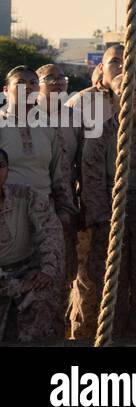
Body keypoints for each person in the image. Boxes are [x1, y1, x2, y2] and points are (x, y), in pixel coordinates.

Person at [72, 67, 136, 340]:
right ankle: (114, 336)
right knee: (113, 284)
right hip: (111, 211)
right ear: (113, 98)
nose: (131, 97)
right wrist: (101, 218)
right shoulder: (101, 134)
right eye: (124, 92)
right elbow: (92, 178)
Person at [0, 67, 75, 254]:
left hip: (44, 214)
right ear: (6, 90)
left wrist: (65, 211)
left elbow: (60, 173)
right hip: (7, 215)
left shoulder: (48, 126)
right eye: (20, 83)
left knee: (48, 274)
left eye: (33, 83)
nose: (27, 88)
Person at [0, 147, 63, 343]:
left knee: (44, 293)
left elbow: (51, 232)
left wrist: (47, 269)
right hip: (4, 279)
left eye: (0, 166)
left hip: (25, 271)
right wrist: (13, 285)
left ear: (8, 169)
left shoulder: (26, 196)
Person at [35, 63, 80, 322]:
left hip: (66, 205)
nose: (57, 82)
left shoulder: (74, 116)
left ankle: (59, 331)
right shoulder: (25, 116)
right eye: (49, 77)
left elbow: (83, 162)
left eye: (62, 77)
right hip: (36, 203)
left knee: (65, 271)